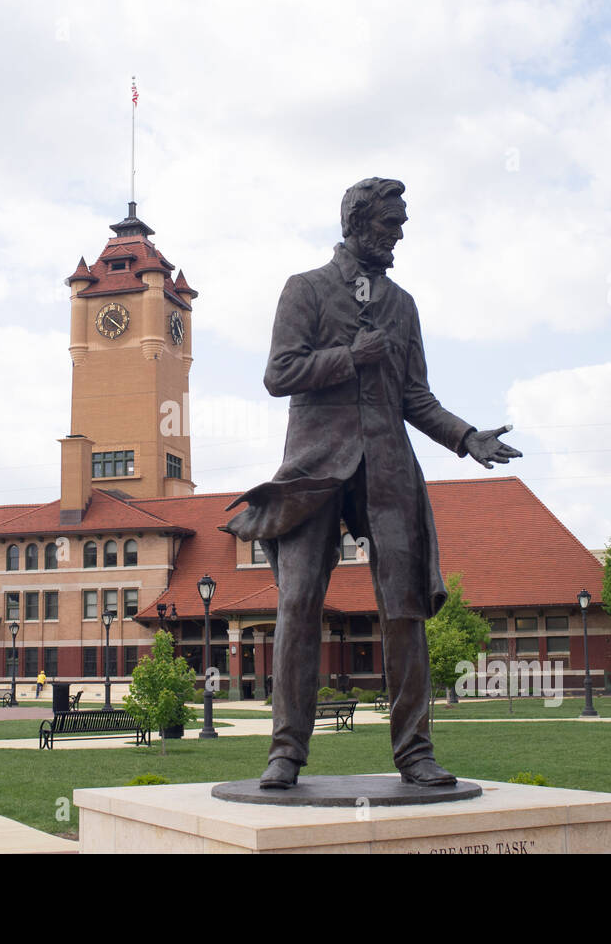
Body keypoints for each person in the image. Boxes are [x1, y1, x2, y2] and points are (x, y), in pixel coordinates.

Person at [226, 177, 521, 790]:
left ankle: (415, 753)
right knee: (299, 600)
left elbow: (416, 396)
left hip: (388, 469)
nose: (399, 235)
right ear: (358, 224)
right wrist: (349, 357)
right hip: (315, 469)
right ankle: (286, 753)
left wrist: (468, 438)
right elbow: (279, 374)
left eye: (401, 225)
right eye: (391, 225)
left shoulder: (403, 305)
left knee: (404, 608)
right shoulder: (304, 289)